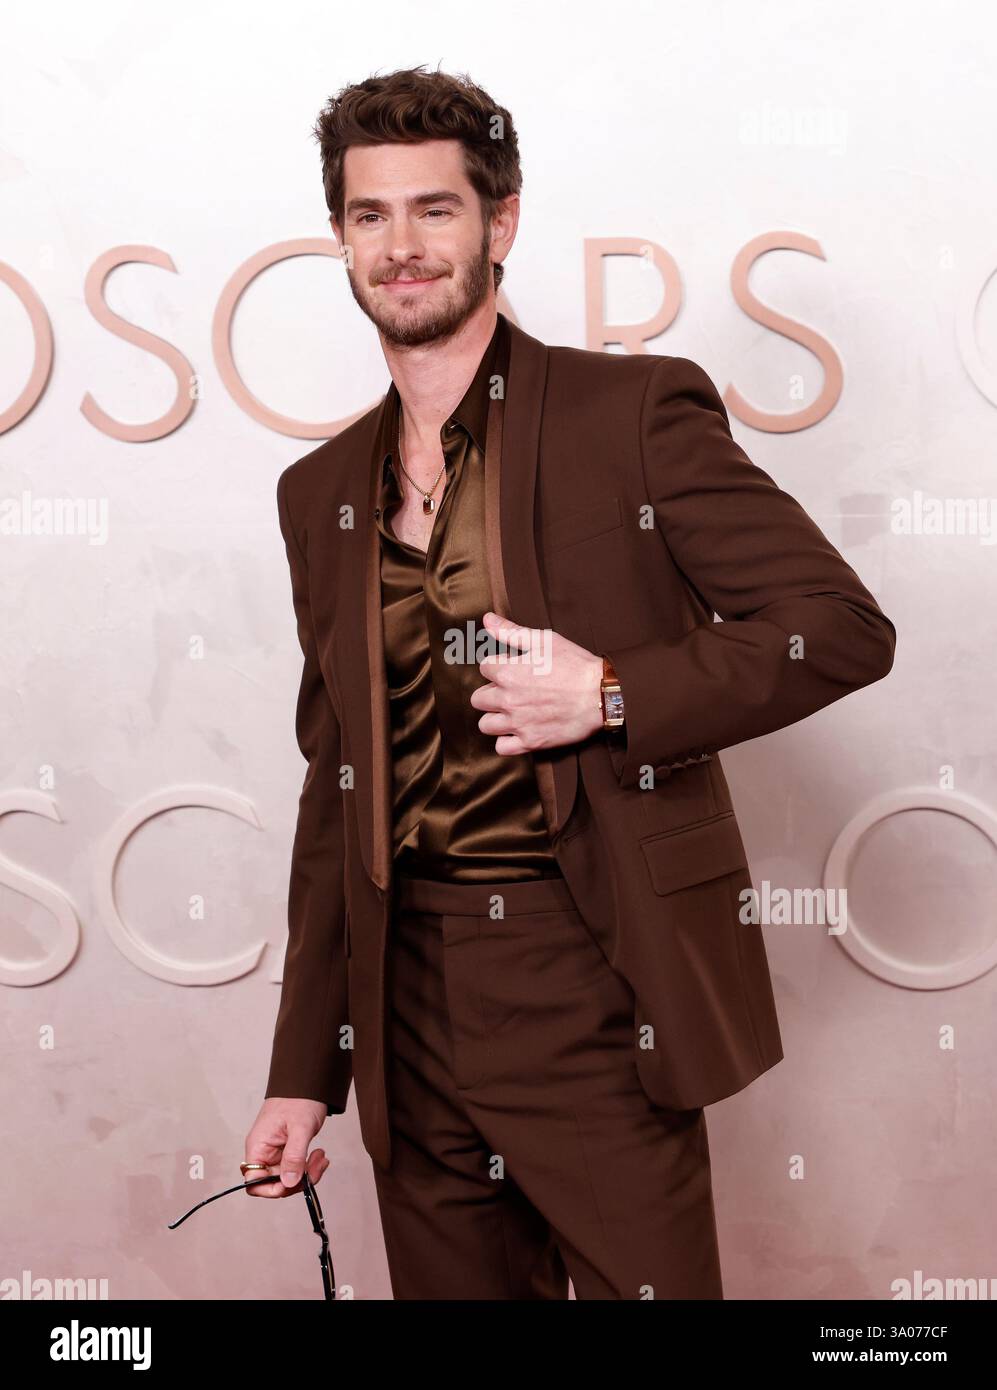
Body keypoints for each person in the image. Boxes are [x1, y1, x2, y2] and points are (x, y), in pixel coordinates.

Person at [243, 65, 896, 1299]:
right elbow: (334, 800)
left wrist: (612, 694)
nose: (402, 246)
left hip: (590, 979)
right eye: (370, 215)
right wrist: (301, 1069)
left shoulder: (632, 415)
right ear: (339, 236)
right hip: (403, 1008)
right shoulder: (317, 493)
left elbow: (838, 625)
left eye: (434, 209)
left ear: (501, 221)